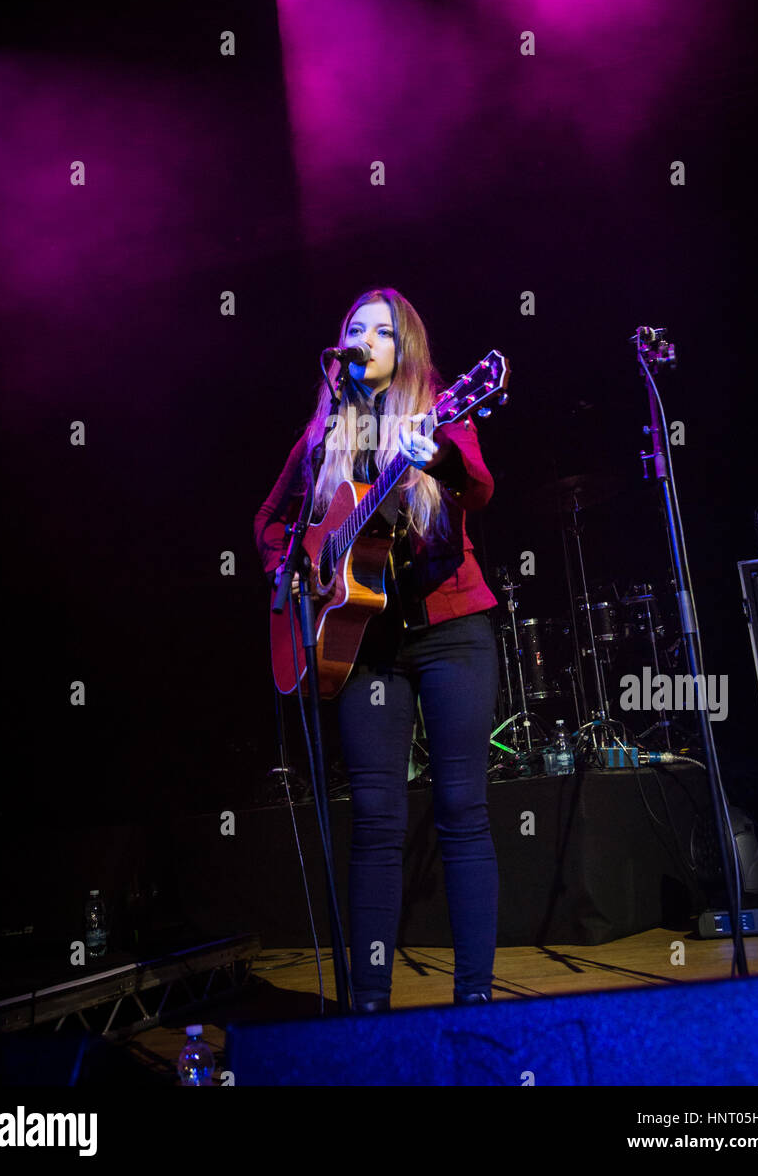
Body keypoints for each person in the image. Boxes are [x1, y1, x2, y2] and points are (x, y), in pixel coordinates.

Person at [254, 286, 500, 1011]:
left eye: (380, 332)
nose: (365, 340)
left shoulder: (437, 411)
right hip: (365, 645)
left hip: (452, 630)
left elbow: (478, 486)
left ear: (406, 347)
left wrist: (442, 461)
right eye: (354, 330)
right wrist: (296, 567)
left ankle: (475, 1000)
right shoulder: (324, 431)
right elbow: (271, 522)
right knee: (376, 821)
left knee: (462, 807)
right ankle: (368, 1006)